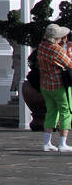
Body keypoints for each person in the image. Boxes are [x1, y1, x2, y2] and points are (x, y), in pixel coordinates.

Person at [35, 23, 72, 152]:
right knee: (65, 112)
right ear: (57, 38)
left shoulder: (42, 46)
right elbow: (69, 64)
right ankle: (62, 143)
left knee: (51, 112)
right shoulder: (57, 50)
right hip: (59, 85)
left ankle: (47, 143)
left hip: (45, 85)